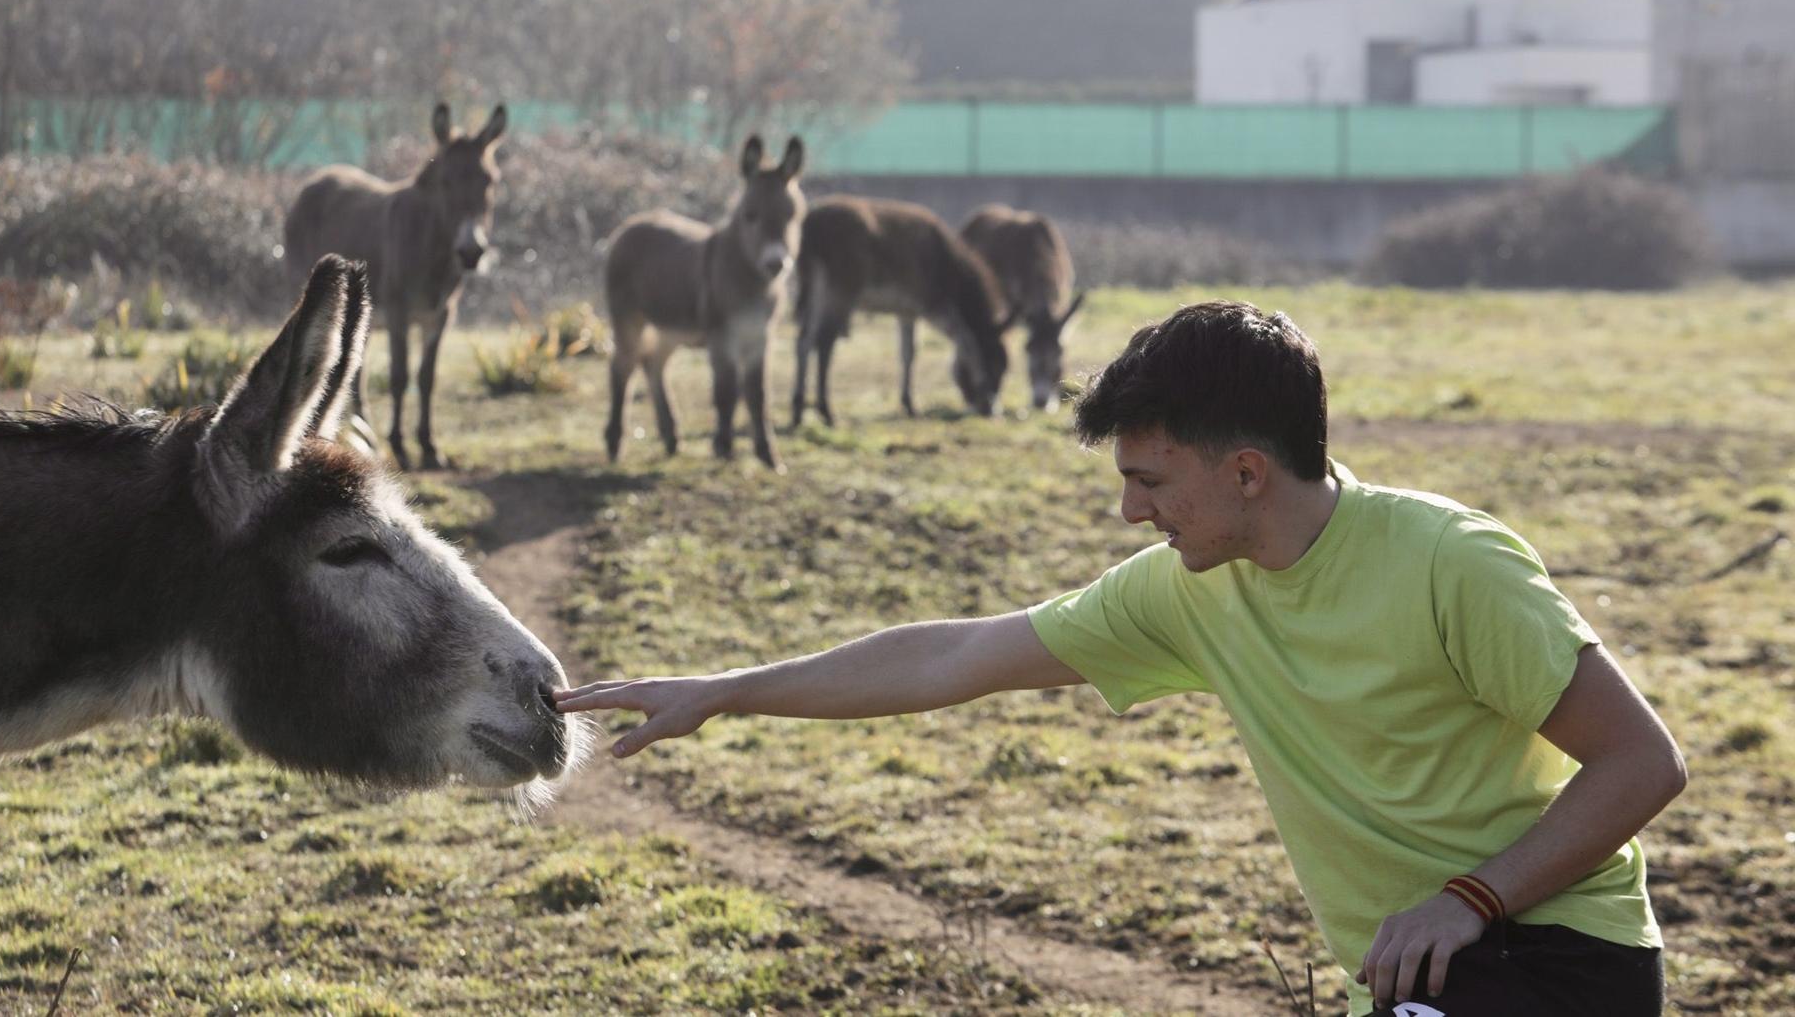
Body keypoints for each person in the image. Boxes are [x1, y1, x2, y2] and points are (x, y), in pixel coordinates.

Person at [554, 300, 1685, 1016]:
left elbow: (1641, 762)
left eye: (1148, 482)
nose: (1129, 513)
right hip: (1419, 971)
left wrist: (1466, 899)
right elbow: (951, 657)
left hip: (1554, 957)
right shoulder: (1186, 592)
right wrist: (728, 693)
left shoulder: (1450, 563)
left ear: (1244, 472)